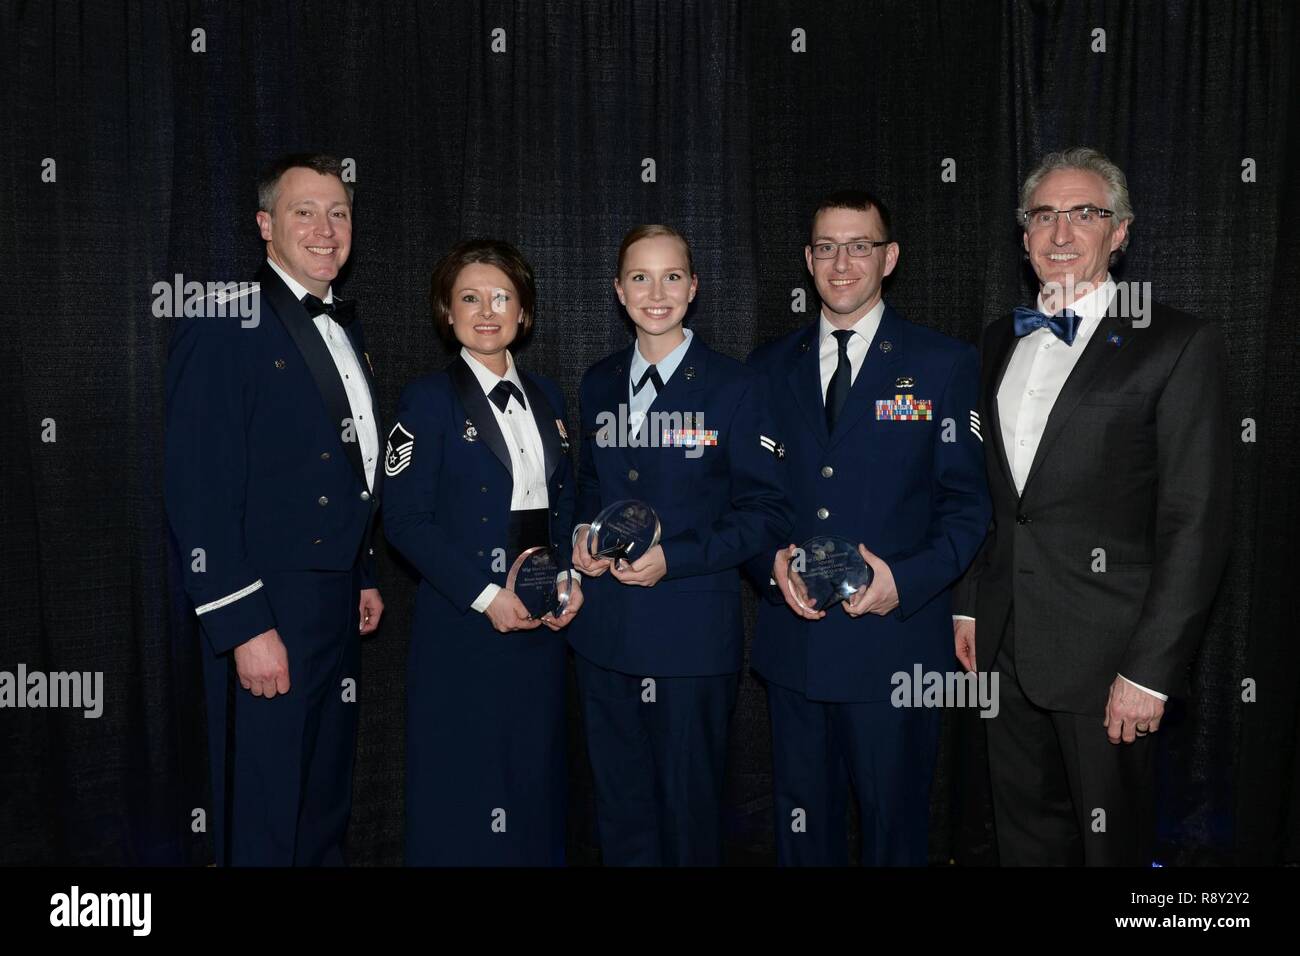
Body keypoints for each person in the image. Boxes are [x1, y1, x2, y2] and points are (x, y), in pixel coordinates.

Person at [952, 147, 1232, 865]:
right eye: (1044, 215)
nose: (1062, 233)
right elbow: (989, 494)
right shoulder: (995, 341)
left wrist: (1149, 671)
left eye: (1085, 214)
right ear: (1024, 236)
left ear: (1122, 232)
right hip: (1004, 646)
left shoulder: (1175, 344)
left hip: (1111, 660)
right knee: (1024, 841)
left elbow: (1195, 522)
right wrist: (969, 606)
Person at [745, 190, 990, 865]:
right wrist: (769, 562)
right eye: (827, 247)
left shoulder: (943, 364)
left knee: (895, 836)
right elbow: (750, 497)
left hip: (894, 650)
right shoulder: (768, 367)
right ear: (807, 259)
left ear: (889, 258)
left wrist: (901, 583)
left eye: (860, 246)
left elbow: (968, 504)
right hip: (795, 646)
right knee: (803, 840)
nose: (842, 262)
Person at [165, 152, 383, 865]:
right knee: (264, 806)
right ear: (265, 225)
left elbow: (351, 466)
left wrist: (363, 572)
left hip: (332, 600)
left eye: (338, 212)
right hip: (268, 604)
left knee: (322, 798)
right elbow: (196, 484)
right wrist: (243, 622)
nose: (325, 229)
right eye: (304, 212)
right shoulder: (225, 319)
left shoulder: (345, 328)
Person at [568, 224, 790, 866]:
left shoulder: (734, 387)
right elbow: (588, 484)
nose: (655, 292)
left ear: (693, 288)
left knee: (689, 819)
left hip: (690, 638)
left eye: (671, 277)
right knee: (620, 816)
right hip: (604, 636)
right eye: (640, 277)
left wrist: (679, 556)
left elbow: (765, 512)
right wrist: (582, 533)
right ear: (618, 290)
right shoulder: (599, 381)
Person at [383, 239, 581, 865]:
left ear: (525, 312)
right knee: (459, 791)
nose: (487, 310)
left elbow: (566, 509)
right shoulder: (426, 400)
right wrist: (487, 597)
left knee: (534, 784)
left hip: (544, 628)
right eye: (469, 297)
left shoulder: (548, 396)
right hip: (463, 627)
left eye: (502, 296)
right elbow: (405, 522)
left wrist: (572, 580)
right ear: (447, 312)